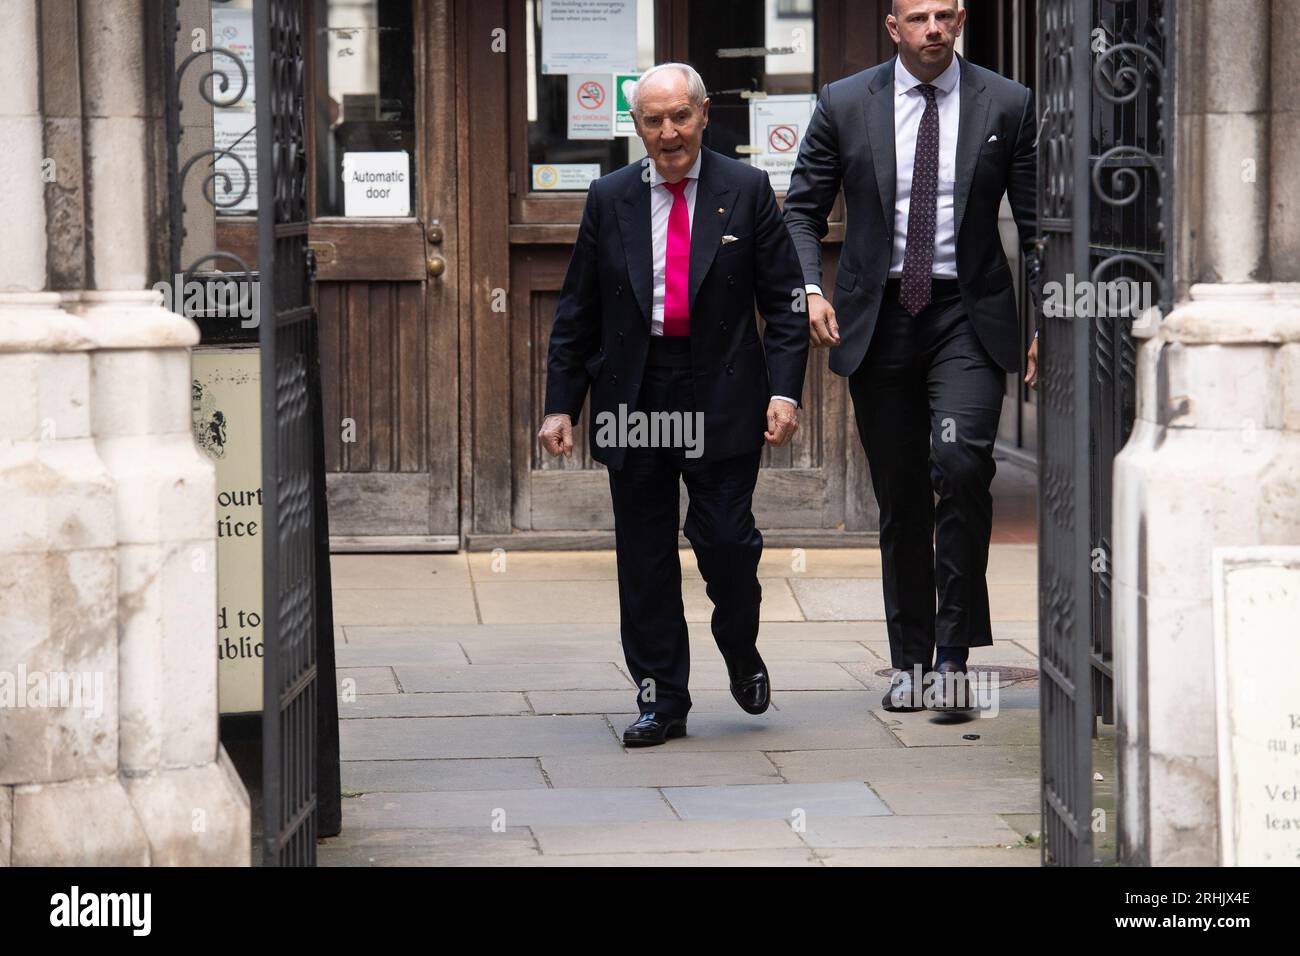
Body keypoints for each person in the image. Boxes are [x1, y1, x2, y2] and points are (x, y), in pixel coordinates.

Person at [538, 63, 809, 746]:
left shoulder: (744, 190)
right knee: (645, 556)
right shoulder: (609, 197)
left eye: (679, 116)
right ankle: (662, 700)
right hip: (637, 389)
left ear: (704, 113)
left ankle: (739, 645)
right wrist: (560, 404)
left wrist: (783, 391)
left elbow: (782, 299)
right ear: (636, 127)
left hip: (720, 387)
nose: (669, 132)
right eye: (653, 121)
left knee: (724, 542)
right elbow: (578, 310)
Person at [783, 0, 1040, 711]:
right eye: (918, 17)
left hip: (968, 314)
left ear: (960, 21)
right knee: (900, 495)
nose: (934, 28)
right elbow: (801, 209)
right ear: (893, 28)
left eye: (946, 15)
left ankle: (954, 658)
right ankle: (910, 661)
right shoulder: (843, 102)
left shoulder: (1008, 103)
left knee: (959, 467)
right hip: (880, 317)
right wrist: (810, 287)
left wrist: (1049, 316)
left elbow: (1043, 225)